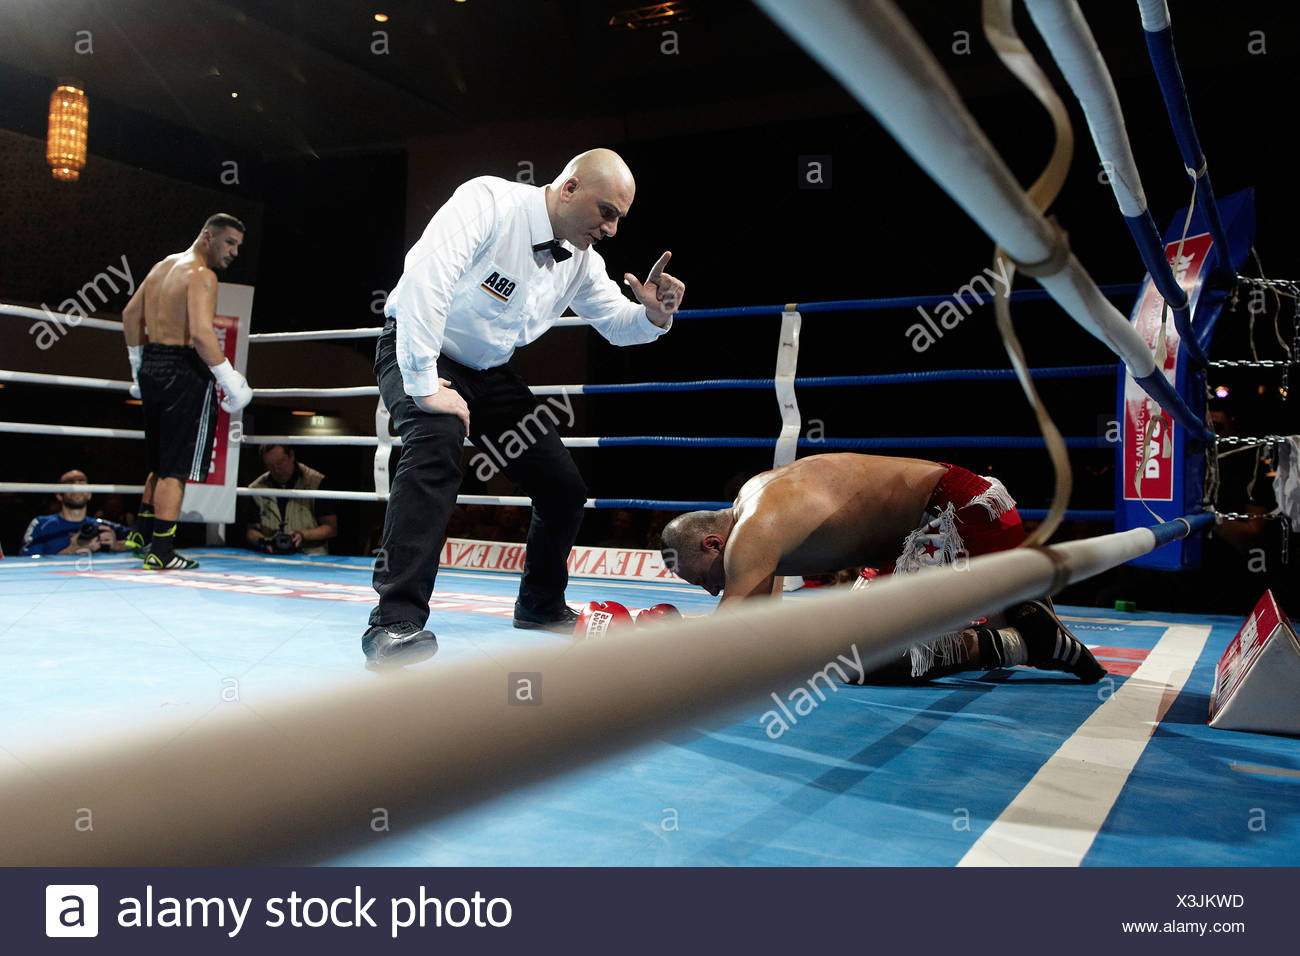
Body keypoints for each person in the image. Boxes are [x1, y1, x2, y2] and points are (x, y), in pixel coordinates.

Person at [365, 148, 685, 668]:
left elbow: (618, 326)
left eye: (620, 218)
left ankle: (540, 603)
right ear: (570, 187)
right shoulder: (488, 201)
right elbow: (427, 281)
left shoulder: (580, 260)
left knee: (563, 487)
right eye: (607, 211)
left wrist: (653, 314)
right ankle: (393, 623)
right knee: (437, 445)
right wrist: (425, 386)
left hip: (490, 375)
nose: (612, 228)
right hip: (417, 347)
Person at [660, 453, 1105, 684]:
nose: (713, 591)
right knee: (845, 648)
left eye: (702, 578)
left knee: (867, 661)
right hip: (929, 530)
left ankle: (1021, 640)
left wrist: (653, 659)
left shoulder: (753, 531)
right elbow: (760, 629)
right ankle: (1018, 606)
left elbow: (726, 640)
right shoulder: (755, 504)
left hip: (957, 518)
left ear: (713, 543)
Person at [120, 213, 254, 571]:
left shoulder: (163, 267)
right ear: (207, 236)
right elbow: (200, 334)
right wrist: (229, 378)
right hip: (183, 371)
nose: (234, 252)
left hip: (152, 366)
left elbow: (130, 315)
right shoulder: (202, 275)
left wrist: (137, 365)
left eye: (238, 246)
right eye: (229, 242)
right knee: (175, 467)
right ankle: (162, 552)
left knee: (158, 461)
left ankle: (141, 535)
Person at [245, 444, 338, 555]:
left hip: (310, 556)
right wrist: (266, 542)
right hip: (271, 557)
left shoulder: (316, 482)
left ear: (291, 456)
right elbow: (251, 531)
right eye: (270, 465)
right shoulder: (256, 488)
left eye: (280, 463)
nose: (277, 469)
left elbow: (331, 528)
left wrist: (302, 535)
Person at [19, 470, 131, 556]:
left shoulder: (103, 526)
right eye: (70, 483)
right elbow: (27, 559)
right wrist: (71, 550)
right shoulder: (41, 524)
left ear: (89, 494)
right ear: (59, 494)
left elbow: (143, 544)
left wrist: (118, 546)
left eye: (81, 482)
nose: (77, 485)